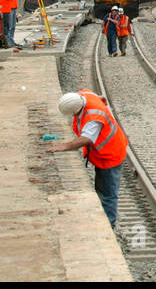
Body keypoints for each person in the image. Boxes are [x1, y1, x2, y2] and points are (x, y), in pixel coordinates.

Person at [48, 90, 128, 228]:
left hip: (110, 156)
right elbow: (98, 96)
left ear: (75, 110)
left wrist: (65, 146)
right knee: (102, 188)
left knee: (108, 194)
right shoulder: (84, 95)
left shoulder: (93, 118)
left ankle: (109, 225)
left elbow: (86, 138)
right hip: (105, 152)